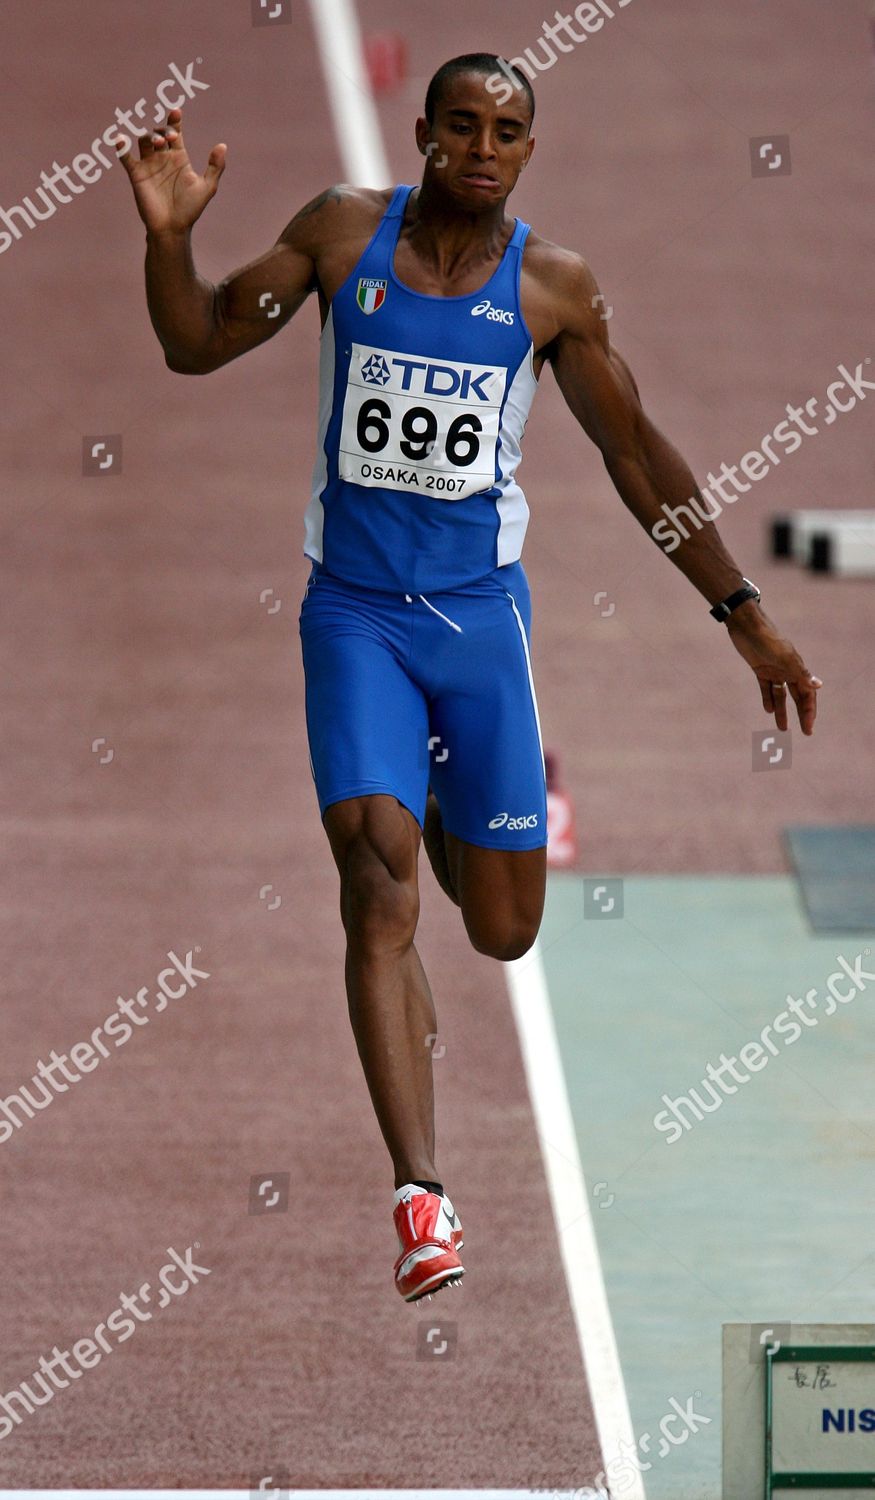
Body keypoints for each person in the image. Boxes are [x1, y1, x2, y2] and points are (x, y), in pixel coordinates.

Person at [120, 51, 821, 1303]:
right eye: (461, 125)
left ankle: (454, 795)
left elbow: (637, 457)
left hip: (477, 627)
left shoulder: (550, 290)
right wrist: (171, 242)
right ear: (426, 134)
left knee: (500, 932)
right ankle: (422, 1199)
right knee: (375, 882)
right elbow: (195, 344)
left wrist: (741, 610)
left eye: (506, 129)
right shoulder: (343, 236)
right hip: (353, 619)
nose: (482, 146)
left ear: (526, 151)